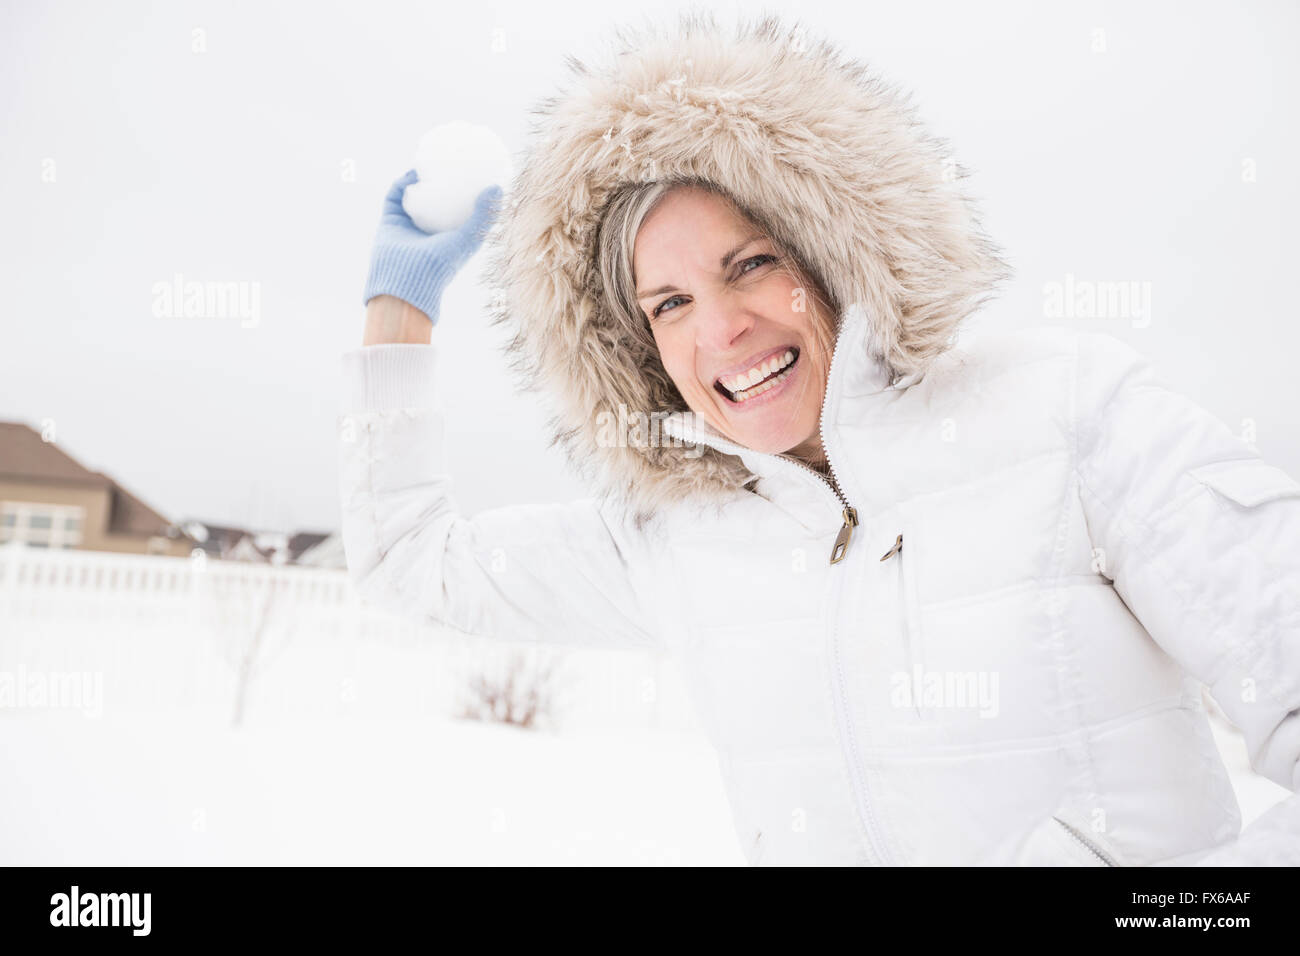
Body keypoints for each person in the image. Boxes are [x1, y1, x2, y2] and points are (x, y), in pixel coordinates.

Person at [339, 12, 1300, 865]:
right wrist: (400, 304)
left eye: (750, 264)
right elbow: (410, 560)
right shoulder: (671, 537)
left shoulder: (1066, 418)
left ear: (834, 250)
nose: (720, 333)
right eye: (668, 303)